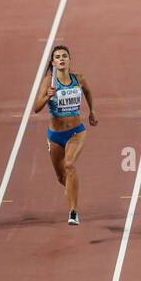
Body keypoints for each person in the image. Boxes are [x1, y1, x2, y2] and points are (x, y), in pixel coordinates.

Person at [32, 44, 98, 226]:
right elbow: (36, 108)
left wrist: (92, 110)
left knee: (69, 164)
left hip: (76, 132)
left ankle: (73, 212)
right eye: (58, 57)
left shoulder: (79, 79)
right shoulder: (49, 82)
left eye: (64, 56)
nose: (61, 59)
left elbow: (88, 92)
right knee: (62, 177)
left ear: (70, 59)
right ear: (53, 62)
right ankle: (72, 189)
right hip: (55, 136)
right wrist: (47, 96)